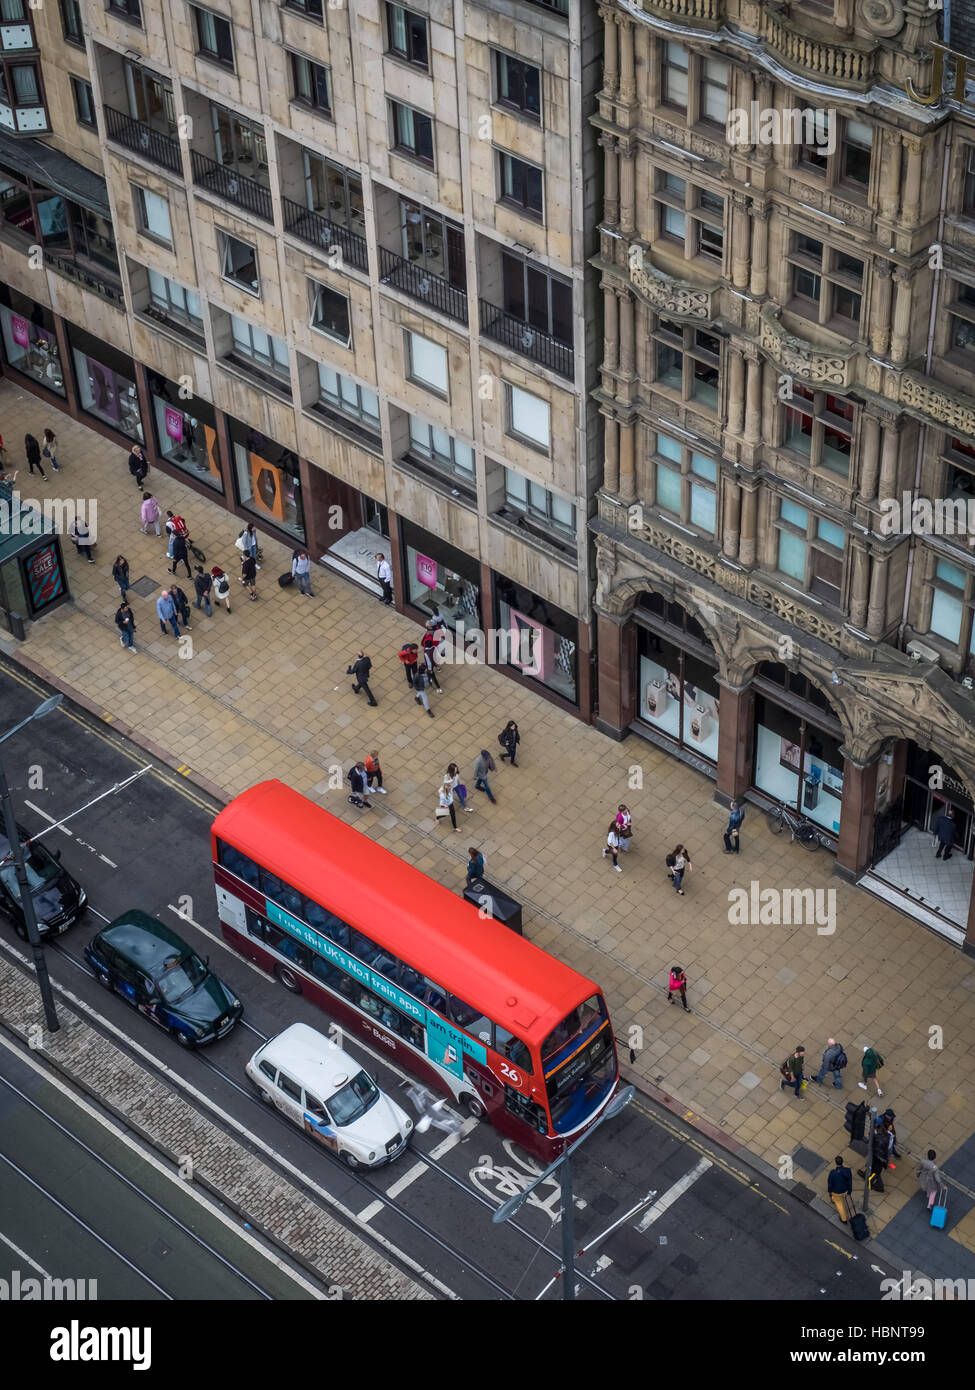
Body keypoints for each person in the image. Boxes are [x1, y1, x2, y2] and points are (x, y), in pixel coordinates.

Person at [858, 1117, 890, 1193]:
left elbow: (881, 1142)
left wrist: (875, 1136)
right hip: (875, 1155)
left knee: (876, 1173)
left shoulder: (885, 1135)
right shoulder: (878, 1129)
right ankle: (865, 1174)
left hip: (879, 1158)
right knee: (870, 1166)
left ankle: (880, 1187)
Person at [827, 1156, 853, 1224]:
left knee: (839, 1204)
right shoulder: (848, 1170)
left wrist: (829, 1192)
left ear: (836, 1163)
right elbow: (850, 1182)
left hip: (837, 1192)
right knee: (841, 1198)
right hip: (845, 1190)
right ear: (842, 1162)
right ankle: (833, 1199)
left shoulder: (832, 1173)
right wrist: (849, 1191)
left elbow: (830, 1184)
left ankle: (844, 1219)